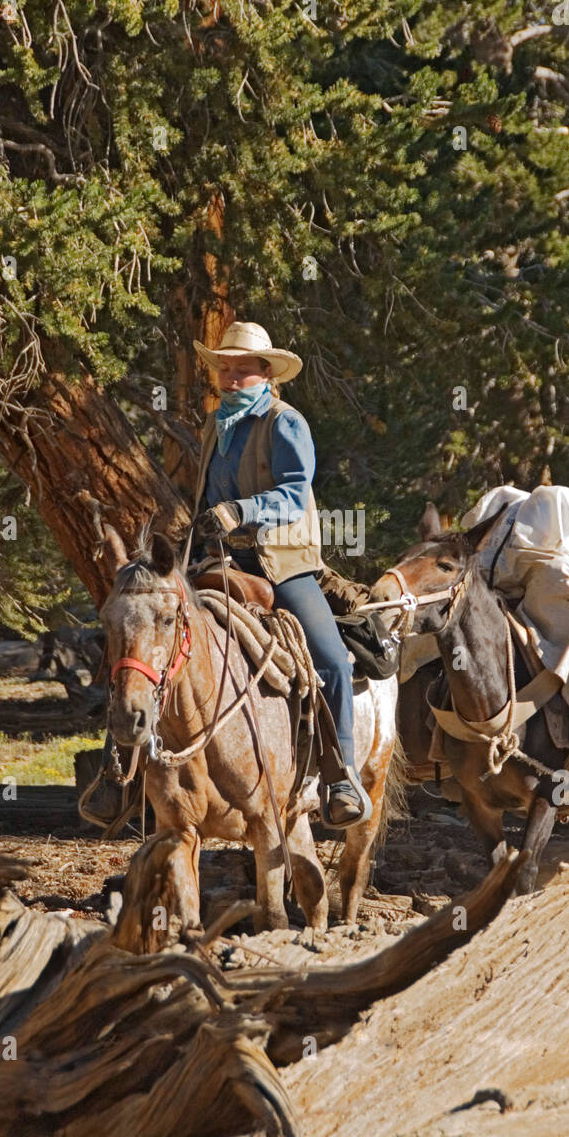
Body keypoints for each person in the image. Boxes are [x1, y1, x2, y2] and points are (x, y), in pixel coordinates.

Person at [190, 320, 372, 827]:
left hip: (281, 563)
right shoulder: (215, 425)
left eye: (240, 371)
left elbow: (295, 494)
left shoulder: (285, 422)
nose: (229, 379)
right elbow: (206, 492)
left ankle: (342, 777)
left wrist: (239, 512)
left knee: (333, 659)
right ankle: (147, 767)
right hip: (223, 560)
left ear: (266, 373)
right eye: (224, 369)